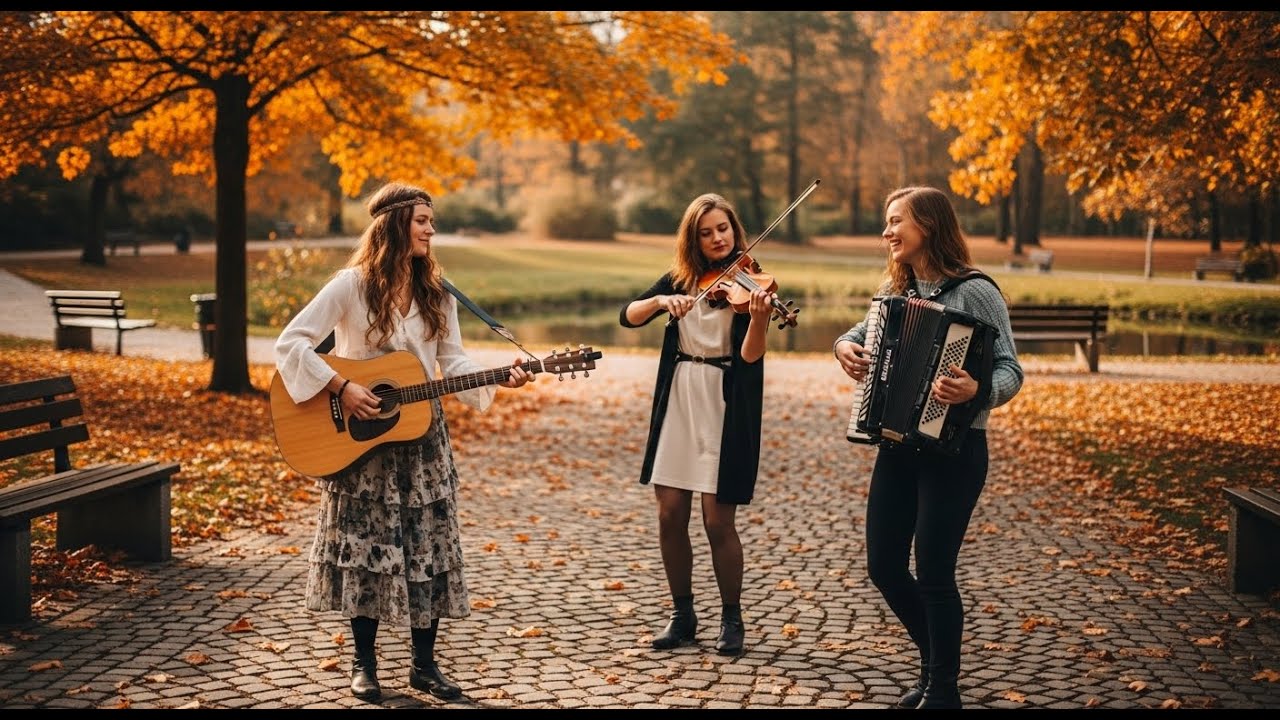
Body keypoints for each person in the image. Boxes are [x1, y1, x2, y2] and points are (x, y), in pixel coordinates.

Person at [273, 181, 535, 703]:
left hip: (422, 438)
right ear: (394, 225)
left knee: (427, 549)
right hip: (360, 440)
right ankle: (363, 664)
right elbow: (291, 342)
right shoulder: (350, 286)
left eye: (431, 222)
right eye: (422, 221)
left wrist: (496, 375)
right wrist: (342, 387)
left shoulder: (438, 291)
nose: (431, 230)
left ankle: (423, 666)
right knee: (364, 552)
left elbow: (452, 361)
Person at [833, 186, 1023, 709]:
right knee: (884, 567)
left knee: (935, 572)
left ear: (930, 227)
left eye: (897, 222)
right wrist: (843, 348)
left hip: (955, 453)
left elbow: (1011, 369)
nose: (887, 232)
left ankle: (942, 690)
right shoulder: (897, 289)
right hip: (897, 447)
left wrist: (978, 390)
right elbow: (855, 333)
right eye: (887, 222)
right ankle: (937, 668)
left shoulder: (975, 291)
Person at [619, 192, 777, 656]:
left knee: (716, 520)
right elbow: (628, 315)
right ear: (693, 238)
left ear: (735, 230)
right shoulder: (682, 278)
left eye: (722, 229)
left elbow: (750, 355)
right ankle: (682, 614)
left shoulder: (751, 281)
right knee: (669, 514)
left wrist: (761, 317)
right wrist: (662, 301)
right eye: (705, 232)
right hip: (680, 395)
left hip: (722, 400)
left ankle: (732, 618)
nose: (716, 238)